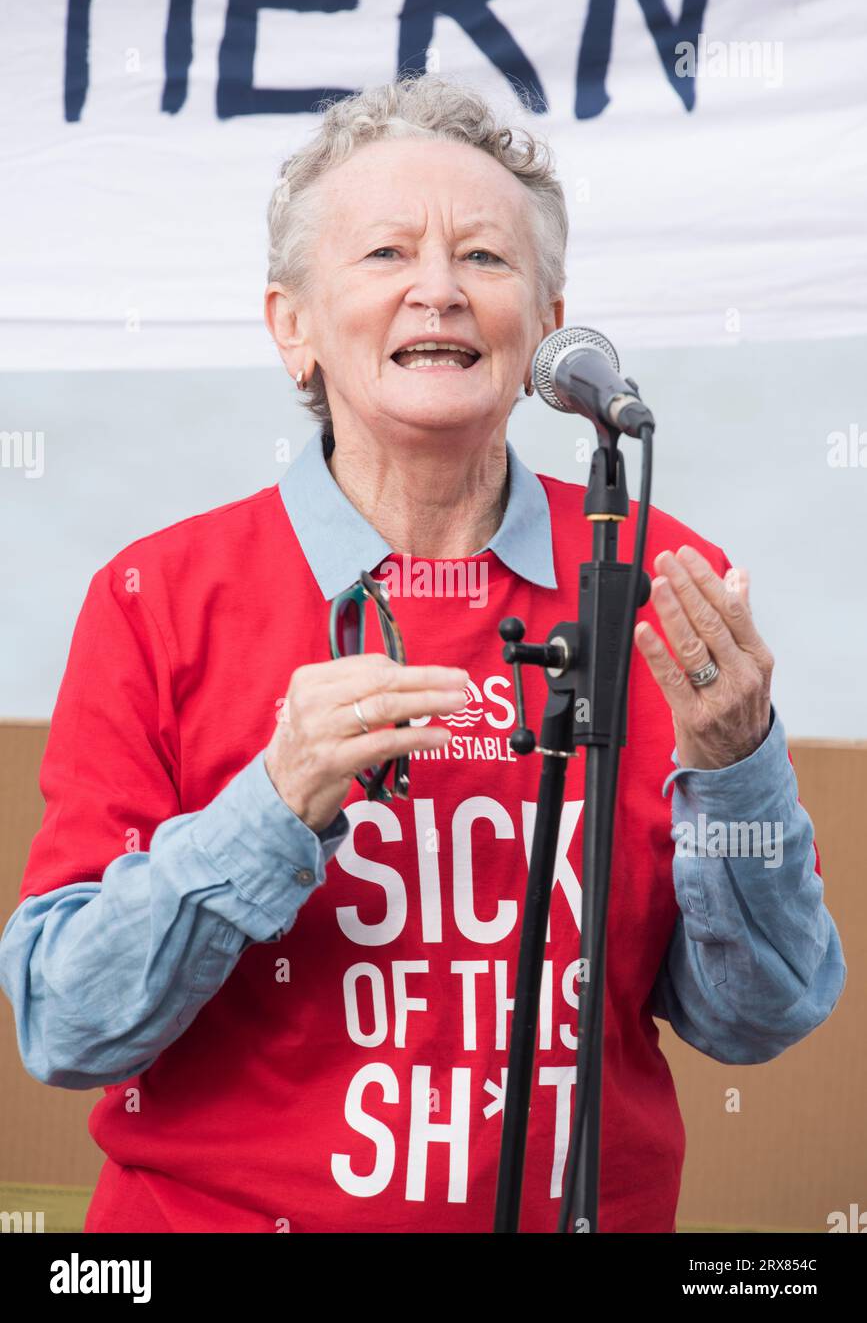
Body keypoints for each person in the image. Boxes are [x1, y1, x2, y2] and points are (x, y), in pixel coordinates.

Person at [0, 75, 845, 1234]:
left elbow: (758, 1017)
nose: (438, 290)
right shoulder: (159, 599)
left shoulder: (659, 584)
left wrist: (737, 764)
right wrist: (277, 798)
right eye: (387, 252)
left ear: (549, 324)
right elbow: (65, 1022)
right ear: (292, 325)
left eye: (487, 260)